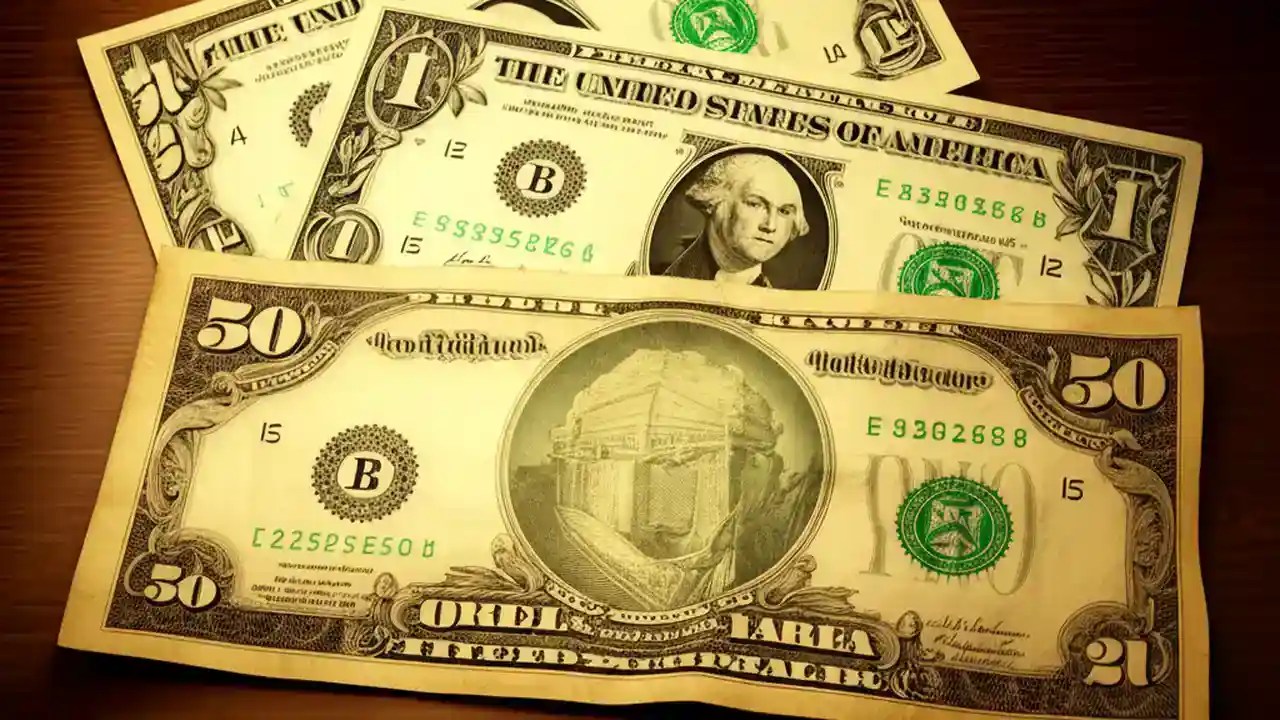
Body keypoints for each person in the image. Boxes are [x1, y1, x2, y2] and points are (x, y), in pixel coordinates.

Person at [659, 152, 809, 287]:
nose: (770, 225)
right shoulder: (660, 281)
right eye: (755, 204)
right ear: (716, 202)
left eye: (784, 211)